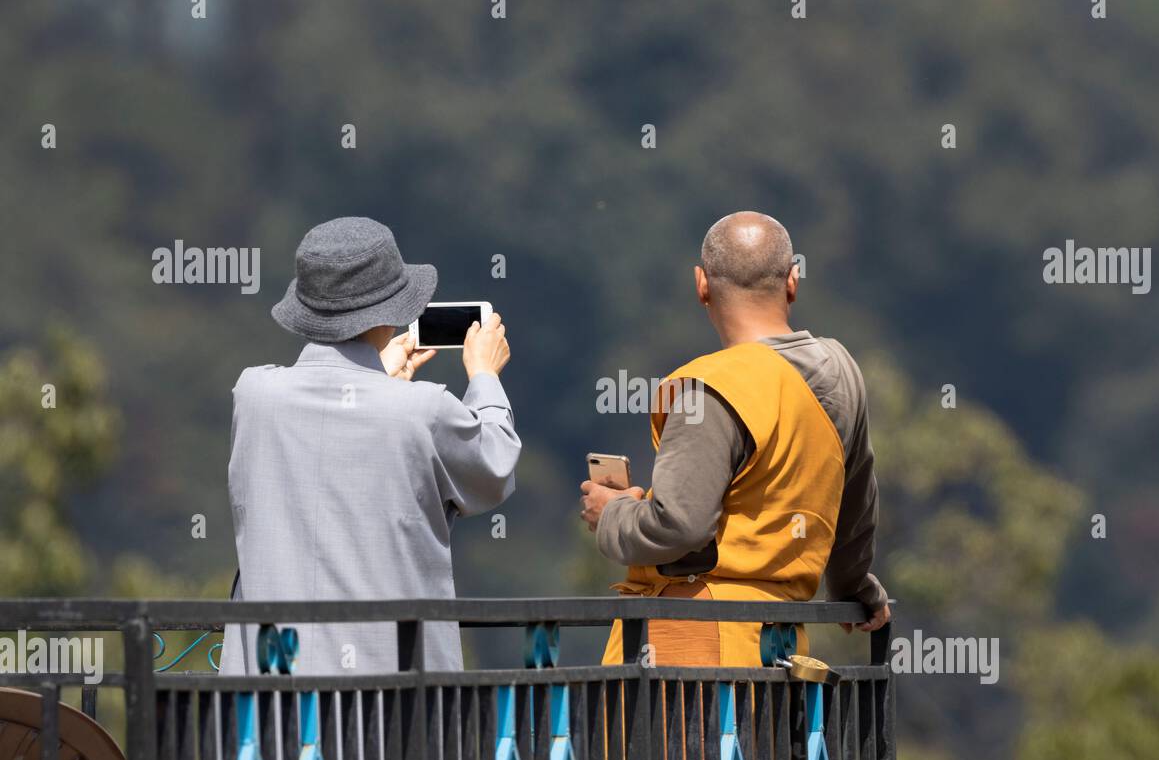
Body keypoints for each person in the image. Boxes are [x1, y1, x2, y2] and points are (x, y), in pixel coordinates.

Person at [580, 211, 889, 667]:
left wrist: (613, 515)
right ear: (792, 281)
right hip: (781, 647)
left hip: (695, 644)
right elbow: (855, 507)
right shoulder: (841, 372)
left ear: (701, 284)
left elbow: (680, 527)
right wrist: (853, 586)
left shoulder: (708, 387)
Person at [221, 217, 518, 675]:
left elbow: (332, 426)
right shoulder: (422, 410)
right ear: (390, 311)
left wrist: (375, 380)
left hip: (267, 698)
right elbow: (494, 470)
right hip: (390, 699)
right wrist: (484, 378)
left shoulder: (253, 395)